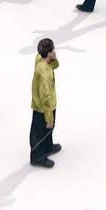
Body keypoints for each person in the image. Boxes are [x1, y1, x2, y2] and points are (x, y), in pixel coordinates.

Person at [29, 37, 61, 167]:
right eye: (53, 50)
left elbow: (55, 65)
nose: (55, 51)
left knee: (49, 129)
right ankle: (36, 156)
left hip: (50, 103)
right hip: (43, 107)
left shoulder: (40, 58)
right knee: (40, 131)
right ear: (48, 53)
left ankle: (47, 147)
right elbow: (45, 97)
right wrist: (48, 117)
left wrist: (53, 57)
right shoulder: (44, 74)